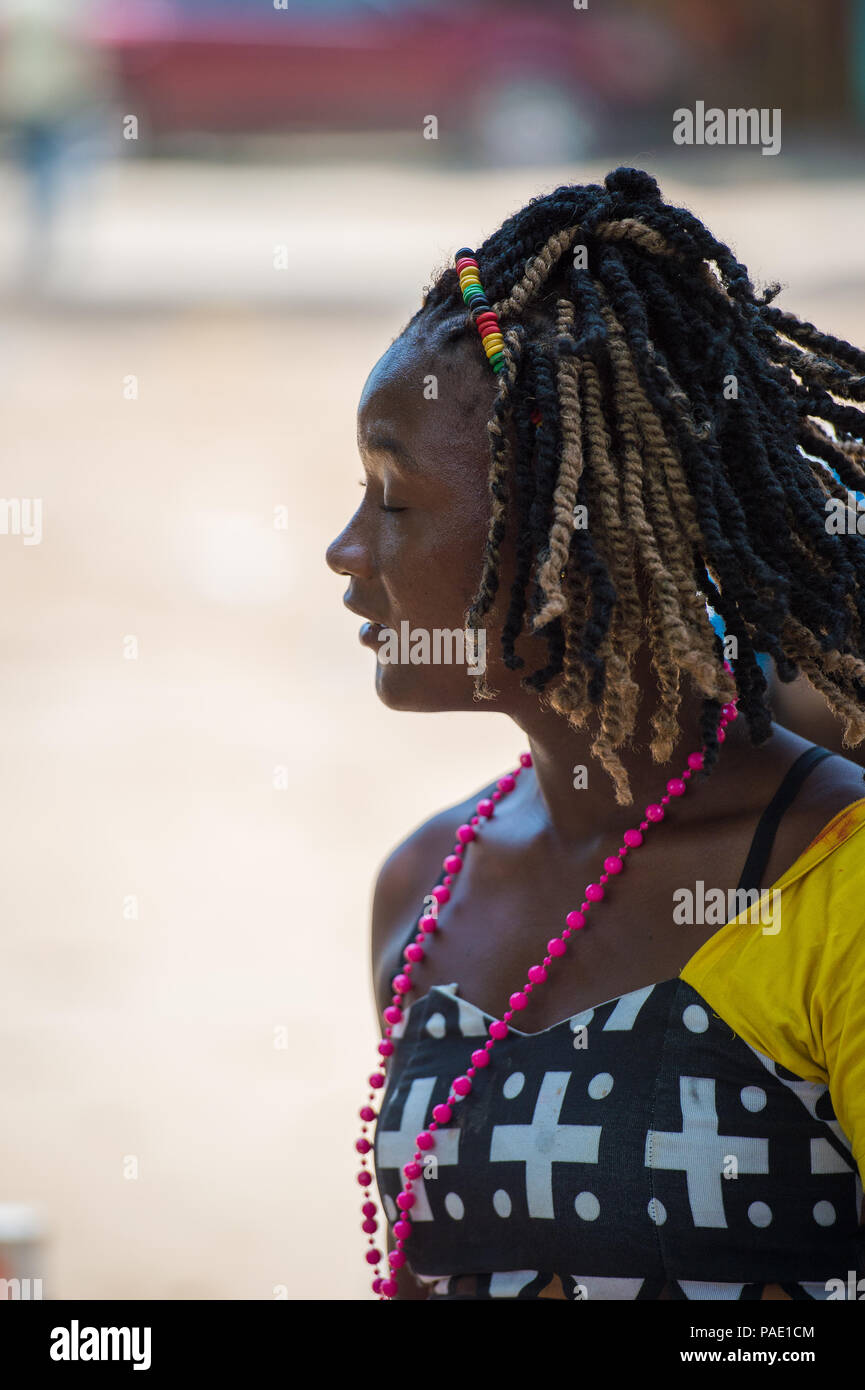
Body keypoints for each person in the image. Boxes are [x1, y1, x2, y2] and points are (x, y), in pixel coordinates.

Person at [326, 168, 865, 1301]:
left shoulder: (832, 882)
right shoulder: (425, 888)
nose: (344, 549)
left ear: (562, 533)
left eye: (393, 495)